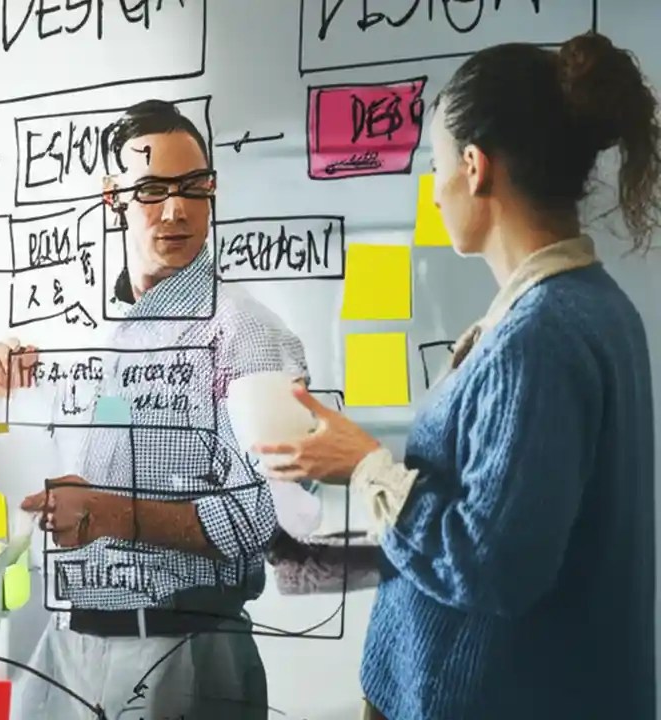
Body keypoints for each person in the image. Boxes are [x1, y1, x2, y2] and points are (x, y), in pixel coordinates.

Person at [255, 32, 658, 720]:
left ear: (474, 167)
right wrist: (352, 458)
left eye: (435, 162)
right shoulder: (592, 308)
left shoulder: (539, 337)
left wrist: (366, 468)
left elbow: (491, 565)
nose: (433, 190)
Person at [0, 100, 311, 719]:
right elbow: (42, 486)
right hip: (62, 647)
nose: (177, 209)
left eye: (193, 189)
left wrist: (112, 515)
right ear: (113, 198)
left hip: (182, 654)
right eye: (152, 190)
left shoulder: (245, 333)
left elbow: (278, 514)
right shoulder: (78, 333)